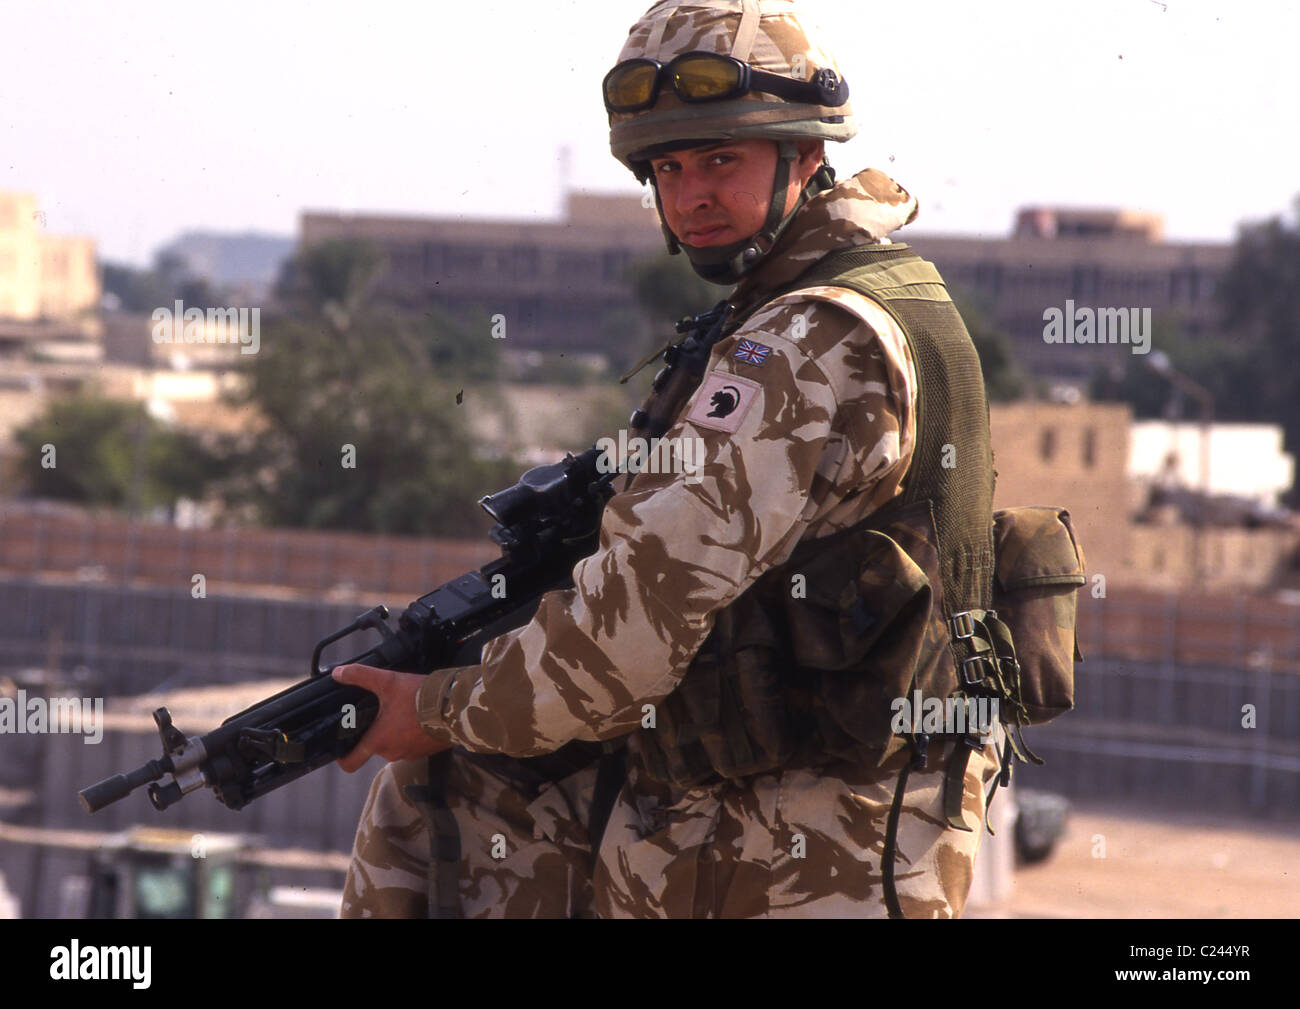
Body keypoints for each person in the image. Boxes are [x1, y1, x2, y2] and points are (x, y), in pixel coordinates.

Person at [334, 0, 1004, 919]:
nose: (690, 195)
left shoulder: (811, 338)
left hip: (804, 848)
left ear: (805, 154)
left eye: (722, 159)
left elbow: (629, 627)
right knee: (447, 793)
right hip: (774, 824)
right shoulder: (834, 298)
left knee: (442, 766)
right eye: (667, 168)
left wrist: (437, 706)